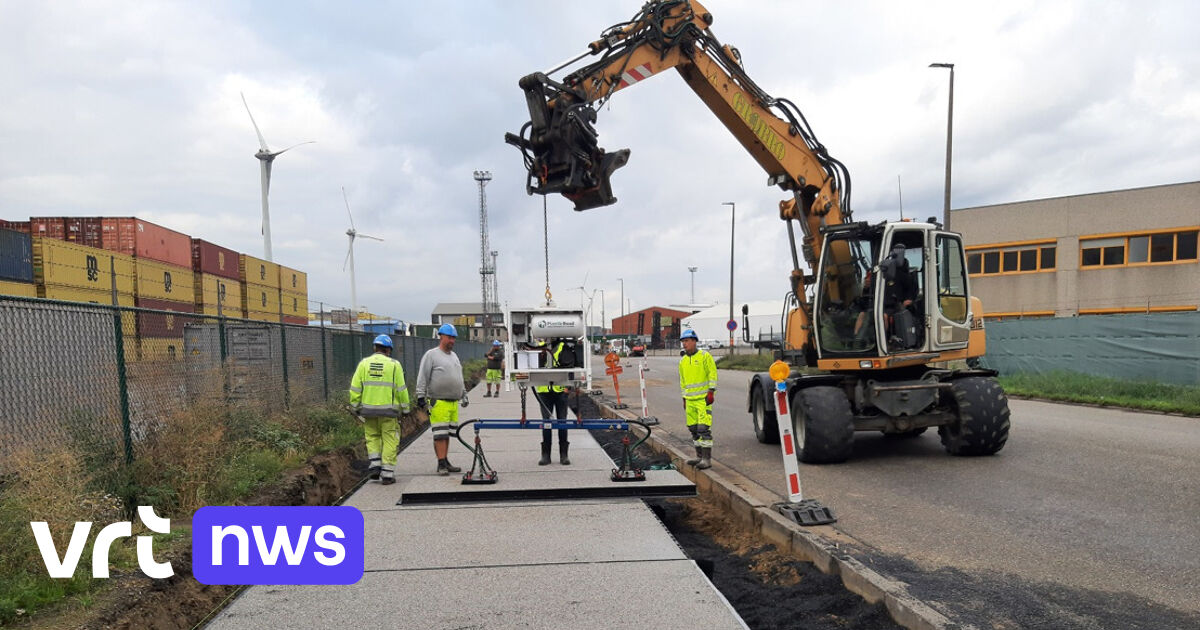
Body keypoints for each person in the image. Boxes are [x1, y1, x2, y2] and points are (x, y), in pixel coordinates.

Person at [348, 334, 411, 485]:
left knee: (372, 437)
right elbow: (401, 390)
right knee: (390, 439)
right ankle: (387, 473)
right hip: (389, 412)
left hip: (368, 411)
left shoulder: (364, 364)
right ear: (389, 350)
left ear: (375, 348)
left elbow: (355, 388)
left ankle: (375, 465)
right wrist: (406, 409)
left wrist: (355, 406)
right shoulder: (394, 365)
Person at [416, 323, 469, 475]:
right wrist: (420, 396)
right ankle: (441, 464)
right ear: (441, 337)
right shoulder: (431, 355)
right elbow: (423, 376)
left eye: (454, 338)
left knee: (447, 434)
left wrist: (463, 393)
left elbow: (459, 377)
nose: (452, 341)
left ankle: (445, 460)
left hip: (453, 402)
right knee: (440, 434)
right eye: (449, 337)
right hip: (438, 402)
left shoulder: (454, 356)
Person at [678, 329, 717, 469]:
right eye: (683, 341)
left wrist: (711, 391)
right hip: (689, 401)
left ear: (694, 341)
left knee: (703, 429)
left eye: (687, 341)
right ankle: (699, 457)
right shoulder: (682, 361)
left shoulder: (705, 356)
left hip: (703, 400)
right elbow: (682, 382)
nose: (684, 344)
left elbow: (712, 374)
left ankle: (707, 459)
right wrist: (684, 398)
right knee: (693, 429)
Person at [532, 339, 572, 466]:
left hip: (560, 391)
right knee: (546, 423)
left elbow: (570, 366)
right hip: (544, 392)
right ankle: (546, 455)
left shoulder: (562, 347)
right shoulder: (538, 348)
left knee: (562, 422)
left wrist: (568, 388)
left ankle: (564, 455)